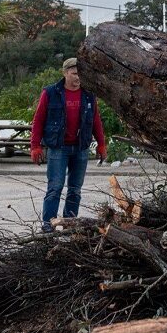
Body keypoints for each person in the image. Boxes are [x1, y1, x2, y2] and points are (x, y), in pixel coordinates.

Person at [30, 58, 107, 233]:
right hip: (58, 147)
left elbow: (96, 121)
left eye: (80, 74)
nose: (77, 77)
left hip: (80, 148)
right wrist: (35, 146)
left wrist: (101, 143)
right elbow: (38, 120)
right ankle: (48, 226)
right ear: (65, 73)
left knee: (75, 190)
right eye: (74, 73)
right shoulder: (50, 92)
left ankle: (69, 225)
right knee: (55, 188)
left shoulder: (89, 94)